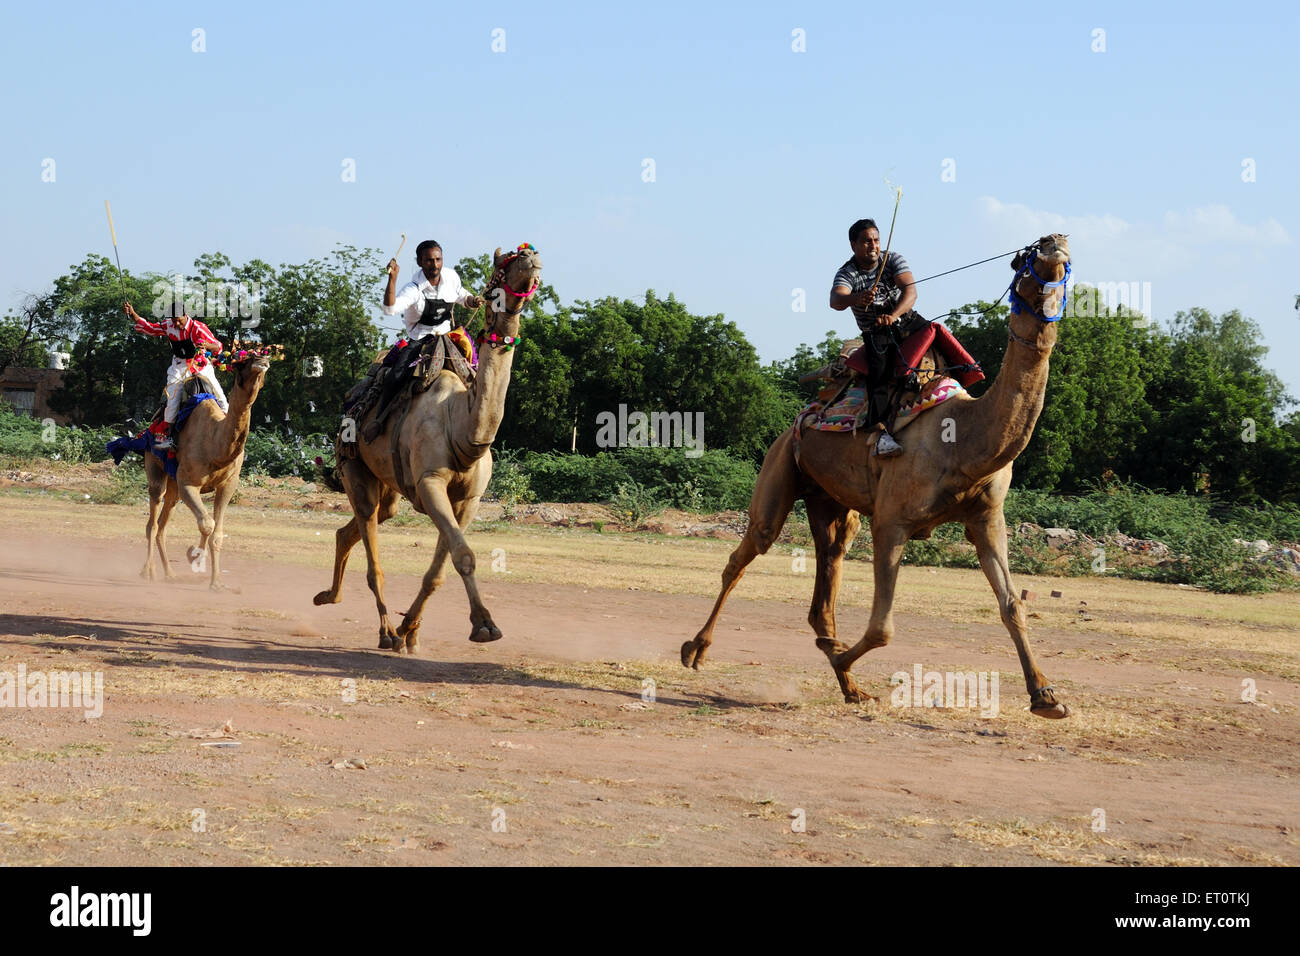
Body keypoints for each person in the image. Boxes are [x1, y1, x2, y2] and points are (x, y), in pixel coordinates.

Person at [829, 218, 926, 457]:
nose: (873, 246)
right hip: (876, 333)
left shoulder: (892, 259)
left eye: (876, 240)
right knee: (879, 378)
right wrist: (856, 298)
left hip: (906, 321)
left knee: (939, 339)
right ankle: (880, 433)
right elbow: (836, 300)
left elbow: (910, 291)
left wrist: (893, 315)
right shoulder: (847, 272)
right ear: (853, 245)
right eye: (866, 242)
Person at [125, 300, 228, 450]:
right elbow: (150, 329)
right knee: (172, 397)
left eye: (179, 321)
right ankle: (166, 435)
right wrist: (133, 314)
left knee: (220, 395)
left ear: (185, 315)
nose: (177, 325)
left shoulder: (198, 328)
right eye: (174, 322)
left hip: (200, 365)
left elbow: (218, 346)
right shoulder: (168, 325)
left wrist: (206, 345)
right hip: (179, 366)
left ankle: (228, 428)